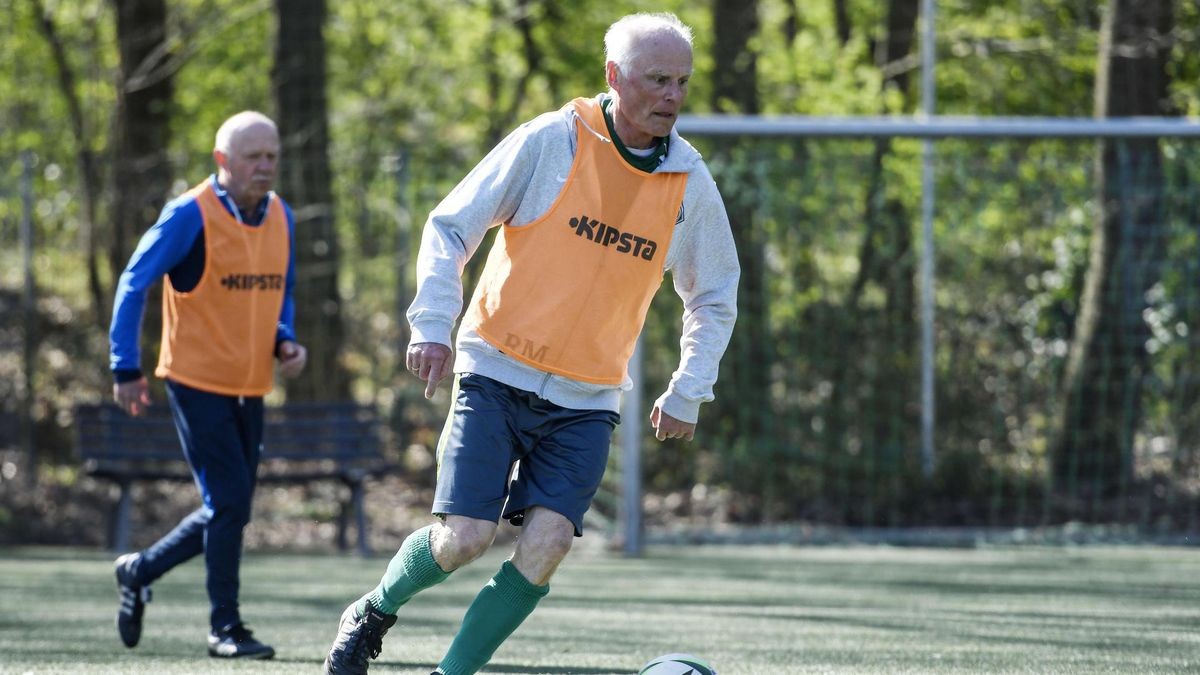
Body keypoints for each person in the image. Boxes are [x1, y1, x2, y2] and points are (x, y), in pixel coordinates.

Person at [322, 12, 738, 675]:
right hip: (495, 370)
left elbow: (714, 292)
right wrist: (433, 323)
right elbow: (452, 225)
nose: (672, 96)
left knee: (545, 546)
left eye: (682, 81)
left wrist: (690, 385)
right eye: (657, 79)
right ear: (613, 76)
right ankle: (373, 609)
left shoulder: (688, 181)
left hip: (589, 397)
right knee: (464, 539)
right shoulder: (553, 140)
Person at [108, 110, 307, 660]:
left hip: (251, 384)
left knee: (231, 507)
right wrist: (124, 366)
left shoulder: (281, 216)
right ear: (223, 161)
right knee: (230, 502)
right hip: (196, 382)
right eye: (253, 157)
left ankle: (139, 570)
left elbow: (280, 291)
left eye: (272, 156)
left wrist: (283, 338)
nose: (265, 166)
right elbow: (134, 282)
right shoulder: (188, 215)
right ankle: (226, 628)